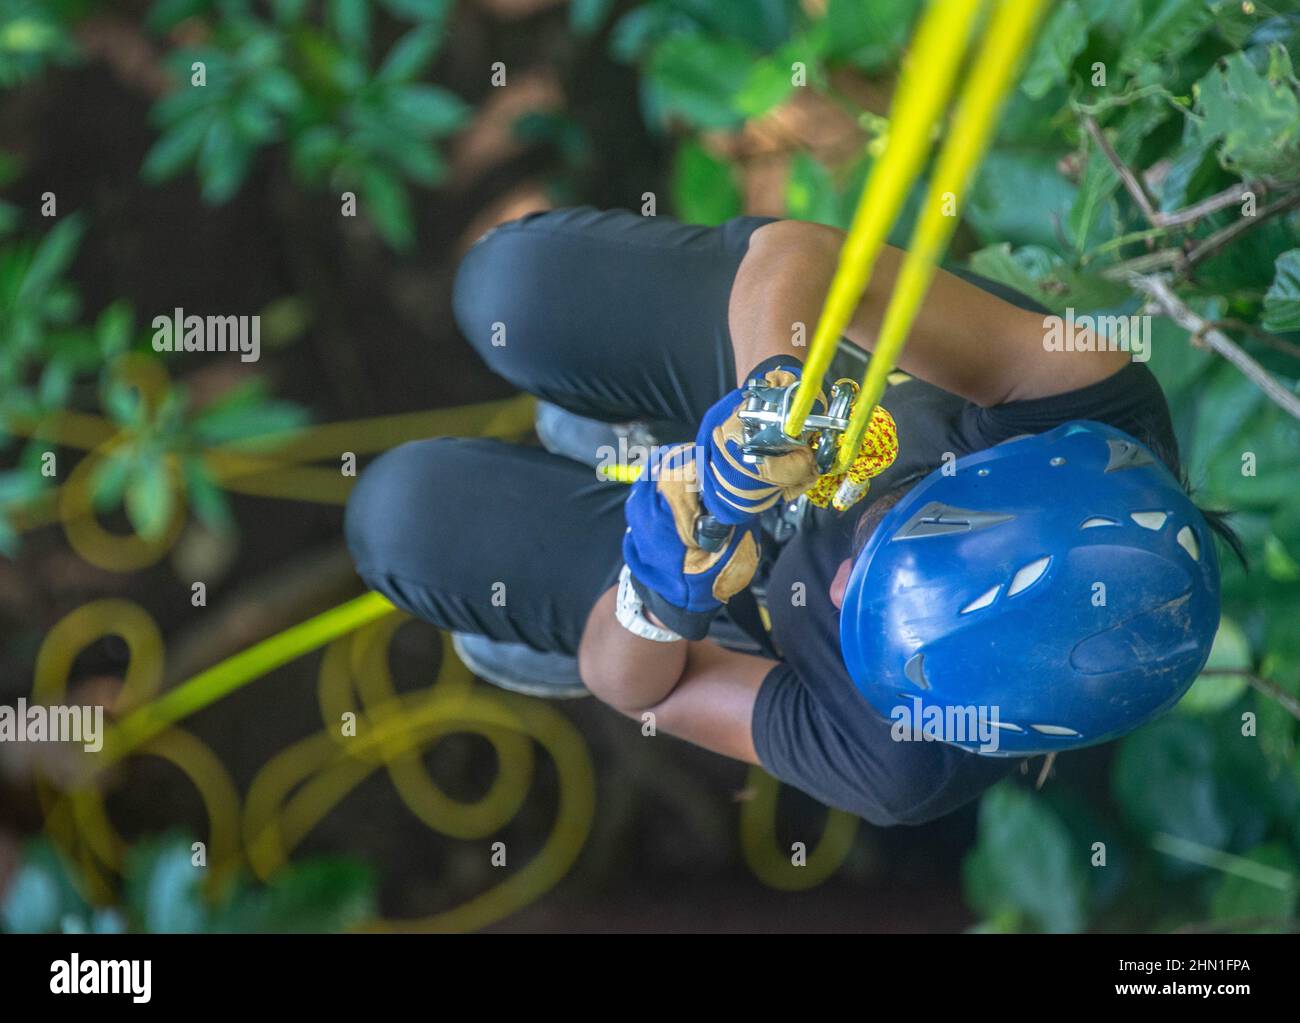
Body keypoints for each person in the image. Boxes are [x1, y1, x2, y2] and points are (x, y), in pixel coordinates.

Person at [345, 206, 1230, 825]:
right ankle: (650, 427)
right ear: (986, 479)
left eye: (864, 615)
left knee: (401, 517)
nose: (841, 576)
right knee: (511, 291)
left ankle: (622, 513)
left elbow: (647, 687)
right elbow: (807, 257)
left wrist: (651, 595)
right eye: (883, 548)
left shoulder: (904, 758)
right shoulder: (1082, 406)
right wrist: (770, 389)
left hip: (726, 589)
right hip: (816, 369)